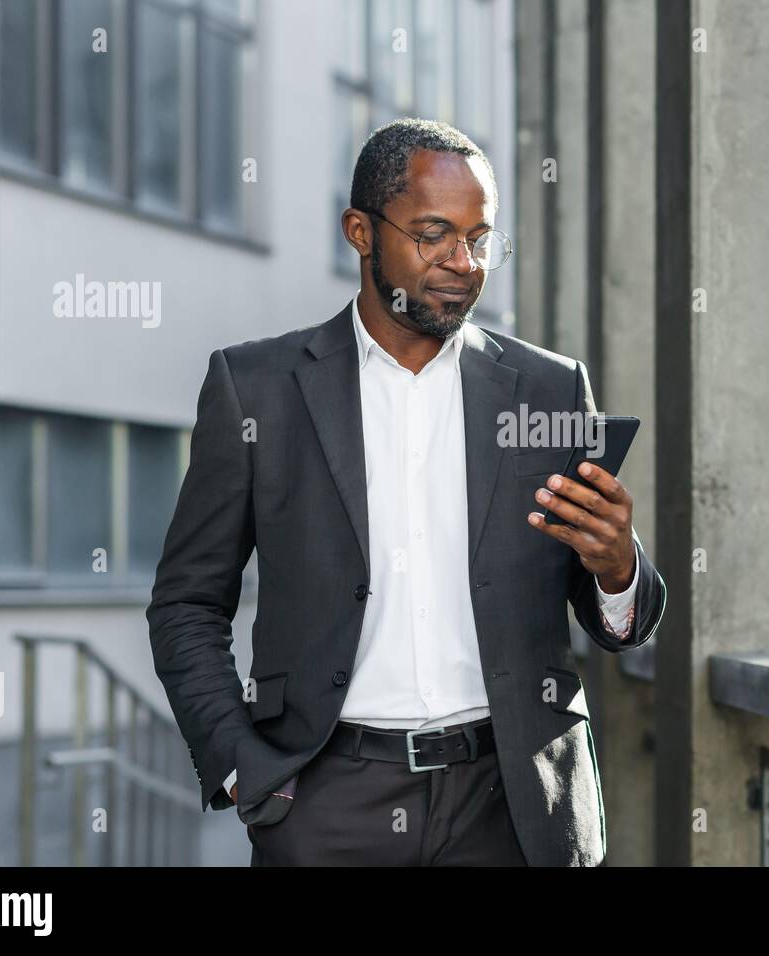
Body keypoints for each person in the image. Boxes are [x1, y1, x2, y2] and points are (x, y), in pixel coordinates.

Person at [147, 118, 666, 866]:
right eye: (434, 234)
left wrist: (617, 566)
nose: (464, 263)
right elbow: (186, 603)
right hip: (326, 802)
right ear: (361, 231)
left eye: (481, 238)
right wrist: (239, 766)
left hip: (512, 805)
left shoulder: (550, 388)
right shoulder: (255, 389)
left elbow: (622, 626)